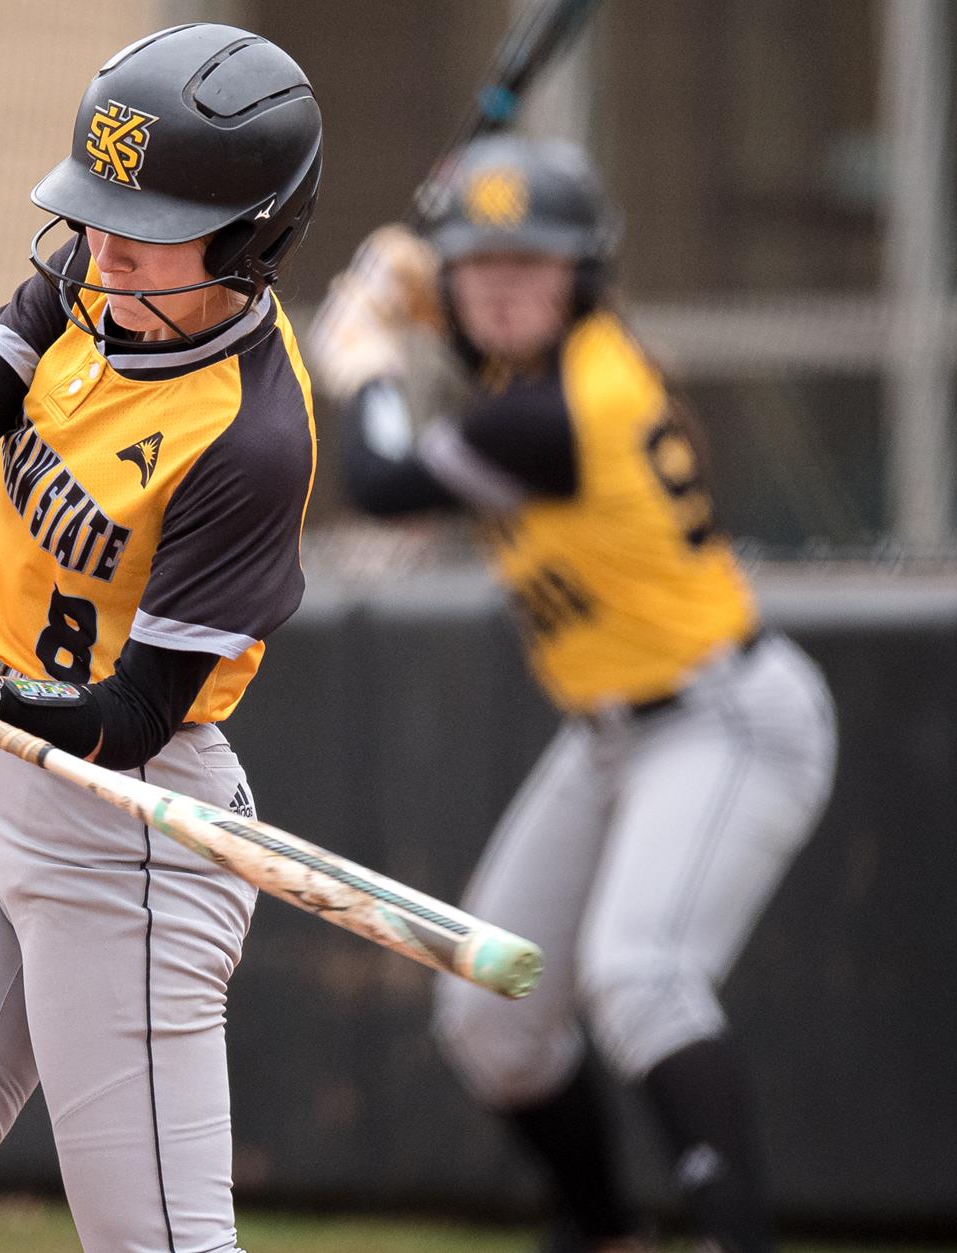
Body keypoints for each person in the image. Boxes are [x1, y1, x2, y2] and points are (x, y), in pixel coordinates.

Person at [0, 22, 322, 1253]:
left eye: (142, 231)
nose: (102, 251)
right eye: (95, 216)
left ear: (247, 241)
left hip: (129, 837)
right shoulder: (85, 293)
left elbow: (133, 715)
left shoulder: (247, 436)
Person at [308, 134, 837, 1253]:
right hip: (609, 734)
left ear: (581, 277)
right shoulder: (531, 375)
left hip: (722, 717)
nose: (505, 287)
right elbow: (473, 364)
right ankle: (600, 1232)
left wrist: (362, 353)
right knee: (484, 1013)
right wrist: (430, 290)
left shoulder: (556, 411)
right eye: (482, 263)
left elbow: (380, 481)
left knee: (640, 977)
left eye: (532, 263)